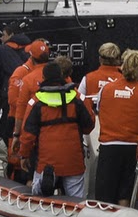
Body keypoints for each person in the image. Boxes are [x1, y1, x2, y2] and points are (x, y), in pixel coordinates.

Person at [18, 60, 95, 198]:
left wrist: (24, 155)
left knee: (38, 197)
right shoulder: (77, 97)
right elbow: (89, 126)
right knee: (76, 201)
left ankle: (45, 187)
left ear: (43, 78)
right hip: (73, 160)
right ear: (62, 76)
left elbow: (28, 134)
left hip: (46, 160)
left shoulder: (36, 101)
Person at [93, 49, 138, 204]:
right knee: (125, 193)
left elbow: (99, 109)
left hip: (109, 146)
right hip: (134, 148)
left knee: (104, 195)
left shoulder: (105, 89)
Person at [4, 38, 50, 178]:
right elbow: (13, 101)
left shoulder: (46, 73)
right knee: (16, 162)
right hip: (19, 121)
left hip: (35, 123)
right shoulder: (21, 72)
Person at [0, 27, 30, 140]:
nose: (2, 38)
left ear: (11, 35)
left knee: (6, 127)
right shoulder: (29, 48)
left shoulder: (3, 50)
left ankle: (6, 144)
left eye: (3, 35)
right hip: (29, 96)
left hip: (12, 96)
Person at [80, 43, 124, 112]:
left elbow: (79, 102)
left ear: (100, 59)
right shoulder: (124, 79)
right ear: (118, 59)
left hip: (92, 119)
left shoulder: (88, 78)